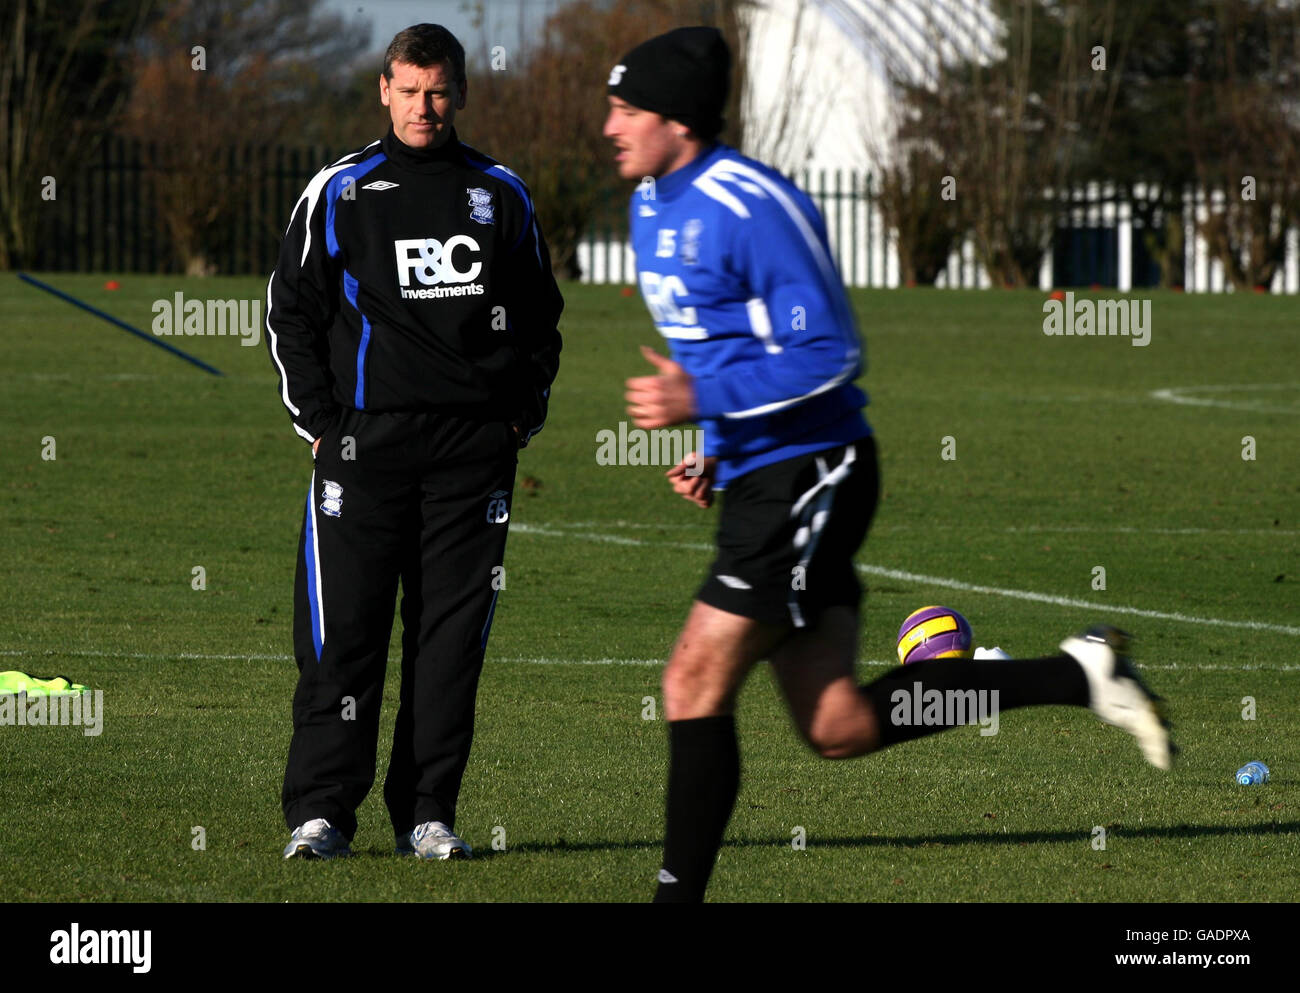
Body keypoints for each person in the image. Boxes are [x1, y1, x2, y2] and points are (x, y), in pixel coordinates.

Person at [604, 26, 1171, 902]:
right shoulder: (649, 204)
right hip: (764, 470)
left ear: (677, 119)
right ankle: (1078, 672)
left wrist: (705, 403)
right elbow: (732, 342)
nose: (610, 125)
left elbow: (829, 352)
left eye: (627, 108)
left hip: (814, 469)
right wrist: (715, 444)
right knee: (840, 724)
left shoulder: (754, 205)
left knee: (692, 675)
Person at [266, 23, 562, 860]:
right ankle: (320, 814)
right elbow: (291, 310)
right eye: (409, 90)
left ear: (460, 93)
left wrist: (516, 417)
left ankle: (427, 813)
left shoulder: (500, 194)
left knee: (449, 642)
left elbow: (541, 320)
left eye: (439, 91)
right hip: (362, 453)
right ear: (385, 93)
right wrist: (321, 424)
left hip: (473, 457)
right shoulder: (341, 191)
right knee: (342, 635)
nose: (424, 107)